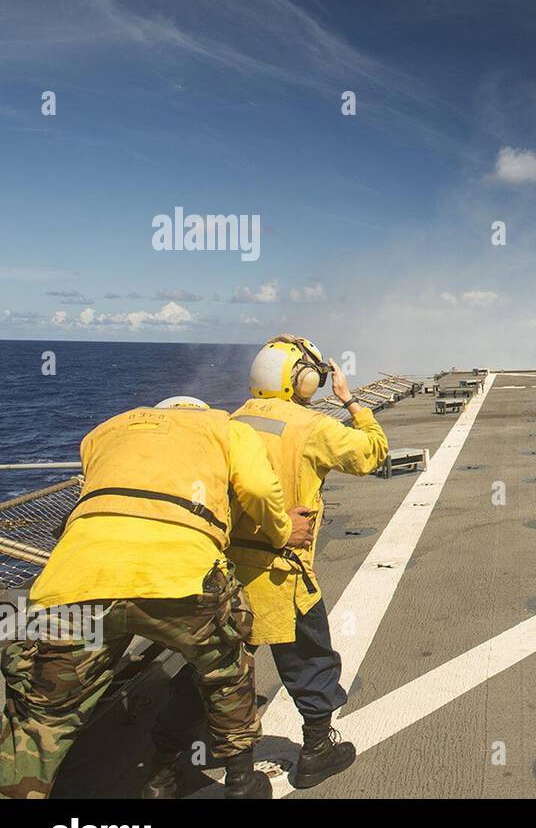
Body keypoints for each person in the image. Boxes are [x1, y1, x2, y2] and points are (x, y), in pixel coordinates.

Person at [0, 396, 312, 799]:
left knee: (41, 715)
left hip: (73, 584)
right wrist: (282, 530)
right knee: (225, 670)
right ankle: (241, 782)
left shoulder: (105, 430)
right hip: (182, 580)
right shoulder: (226, 427)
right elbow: (256, 488)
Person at [142, 337, 387, 796]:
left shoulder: (228, 421)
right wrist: (351, 401)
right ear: (304, 379)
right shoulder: (312, 426)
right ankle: (316, 751)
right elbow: (374, 453)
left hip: (222, 574)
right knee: (309, 661)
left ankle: (162, 770)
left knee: (209, 669)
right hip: (282, 573)